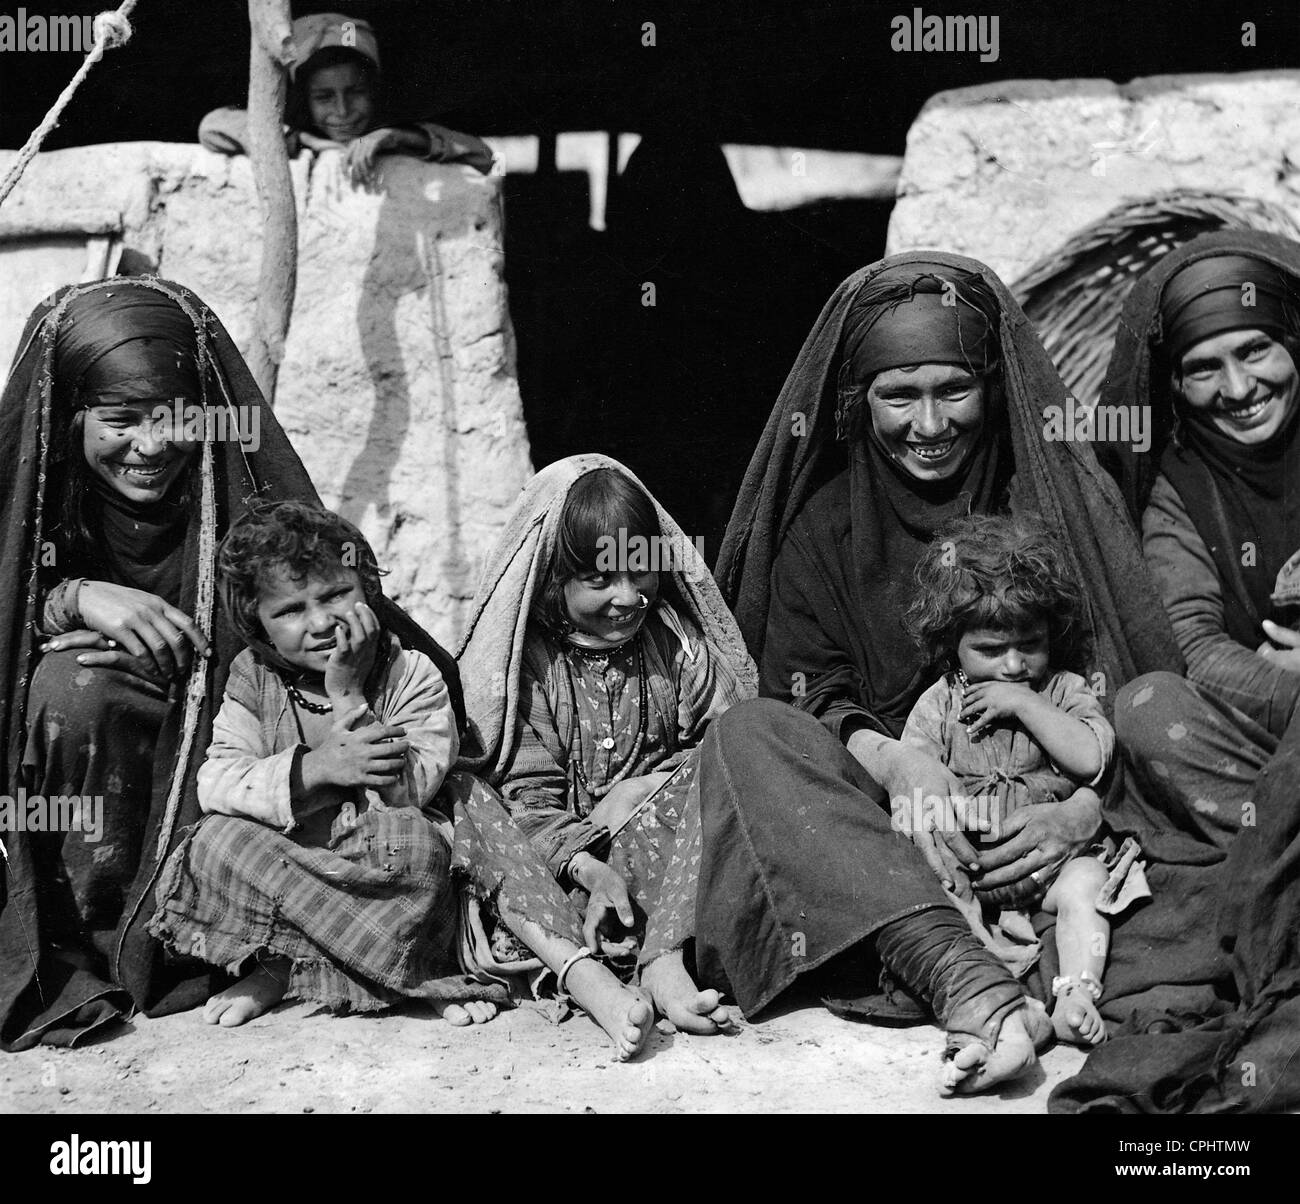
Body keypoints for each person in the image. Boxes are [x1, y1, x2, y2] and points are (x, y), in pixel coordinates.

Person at [459, 454, 1059, 1095]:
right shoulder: (531, 671)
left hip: (702, 873)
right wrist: (587, 864)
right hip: (605, 895)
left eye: (641, 571)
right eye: (599, 579)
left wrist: (652, 786)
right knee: (465, 797)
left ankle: (964, 986)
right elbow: (526, 803)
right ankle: (656, 964)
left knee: (751, 728)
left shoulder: (679, 645)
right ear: (553, 581)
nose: (628, 596)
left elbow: (731, 758)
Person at [0, 276, 470, 1049]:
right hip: (97, 764)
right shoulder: (42, 501)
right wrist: (73, 597)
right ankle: (83, 948)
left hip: (235, 766)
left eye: (173, 420)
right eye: (118, 421)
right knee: (71, 685)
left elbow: (344, 633)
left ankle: (187, 943)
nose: (150, 448)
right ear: (71, 416)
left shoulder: (237, 504)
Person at [1050, 232, 1300, 1112]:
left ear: (1293, 342)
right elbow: (1194, 649)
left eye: (1255, 350)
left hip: (1270, 752)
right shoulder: (1180, 488)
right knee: (1150, 705)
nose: (1237, 389)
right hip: (1257, 743)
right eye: (1203, 369)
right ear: (1175, 385)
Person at [147, 502, 501, 1026]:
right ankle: (281, 966)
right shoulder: (253, 677)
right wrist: (315, 770)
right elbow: (217, 781)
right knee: (211, 843)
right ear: (258, 623)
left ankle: (418, 971)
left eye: (337, 594)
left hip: (380, 864)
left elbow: (409, 792)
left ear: (369, 590)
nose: (321, 622)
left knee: (416, 845)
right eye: (290, 610)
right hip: (292, 862)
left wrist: (348, 693)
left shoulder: (409, 671)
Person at [901, 514, 1148, 1045]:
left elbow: (1088, 759)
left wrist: (1024, 703)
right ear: (953, 645)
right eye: (989, 651)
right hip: (977, 870)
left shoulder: (1061, 690)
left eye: (1029, 645)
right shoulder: (941, 703)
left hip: (1052, 872)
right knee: (932, 889)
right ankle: (990, 994)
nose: (1013, 665)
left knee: (1088, 884)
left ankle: (1079, 991)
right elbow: (919, 785)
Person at [199, 12, 495, 186]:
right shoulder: (297, 135)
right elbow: (213, 127)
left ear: (373, 91)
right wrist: (305, 141)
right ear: (305, 99)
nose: (342, 111)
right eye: (324, 97)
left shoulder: (394, 140)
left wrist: (394, 137)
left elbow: (482, 155)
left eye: (356, 92)